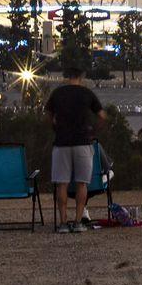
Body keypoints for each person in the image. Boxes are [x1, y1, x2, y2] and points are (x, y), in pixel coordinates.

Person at [44, 66, 106, 233]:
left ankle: (63, 223)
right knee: (81, 184)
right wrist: (93, 132)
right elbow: (102, 116)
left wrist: (55, 128)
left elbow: (48, 114)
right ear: (82, 75)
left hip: (61, 143)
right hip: (82, 143)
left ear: (66, 75)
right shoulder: (87, 93)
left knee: (62, 184)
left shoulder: (57, 94)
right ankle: (78, 221)